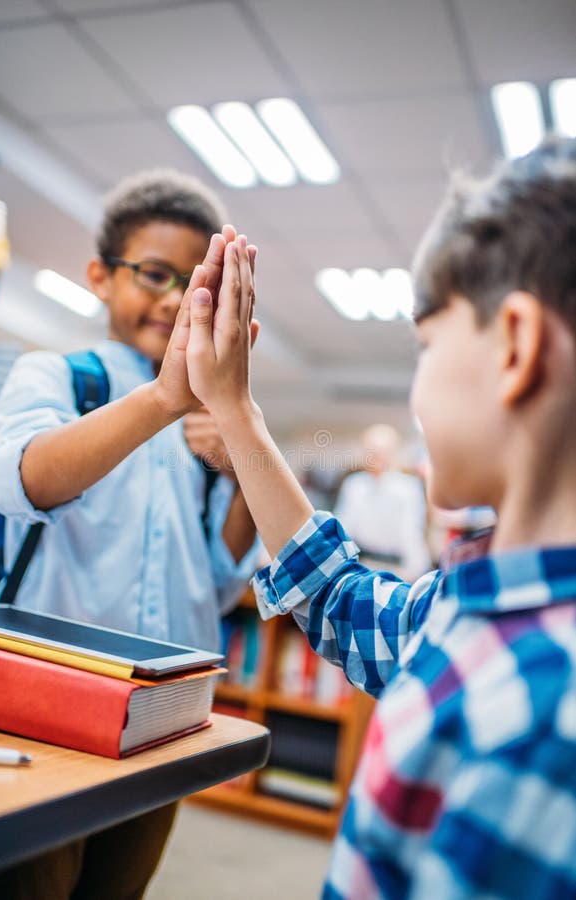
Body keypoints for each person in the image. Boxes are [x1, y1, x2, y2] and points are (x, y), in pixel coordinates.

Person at [180, 136, 576, 898]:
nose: (415, 394)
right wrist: (233, 410)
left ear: (515, 347)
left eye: (424, 345)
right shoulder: (469, 598)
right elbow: (343, 598)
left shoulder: (540, 717)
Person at [0, 170, 258, 900]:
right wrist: (163, 399)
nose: (172, 300)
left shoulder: (207, 418)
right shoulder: (58, 375)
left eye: (192, 284)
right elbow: (25, 479)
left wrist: (243, 468)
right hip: (45, 711)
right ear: (101, 276)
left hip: (162, 718)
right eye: (154, 275)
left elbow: (221, 578)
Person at [334, 423, 431, 579]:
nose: (373, 457)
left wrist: (419, 570)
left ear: (391, 453)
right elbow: (344, 526)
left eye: (379, 452)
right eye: (368, 451)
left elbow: (411, 531)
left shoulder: (407, 488)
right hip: (361, 565)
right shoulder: (354, 485)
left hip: (397, 568)